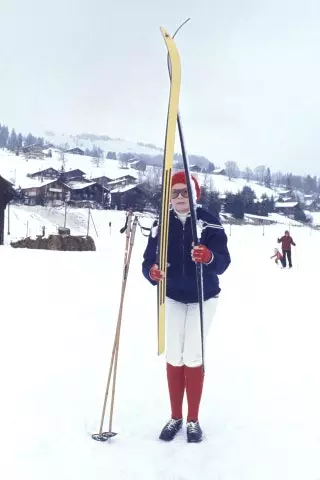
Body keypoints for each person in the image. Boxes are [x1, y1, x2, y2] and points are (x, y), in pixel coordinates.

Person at [142, 171, 231, 443]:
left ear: (195, 195)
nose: (180, 197)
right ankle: (175, 417)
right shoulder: (162, 225)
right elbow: (148, 261)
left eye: (185, 192)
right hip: (172, 296)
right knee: (174, 355)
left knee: (193, 355)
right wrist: (152, 273)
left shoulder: (209, 223)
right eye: (175, 192)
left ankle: (193, 419)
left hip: (204, 297)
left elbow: (224, 262)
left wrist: (209, 256)